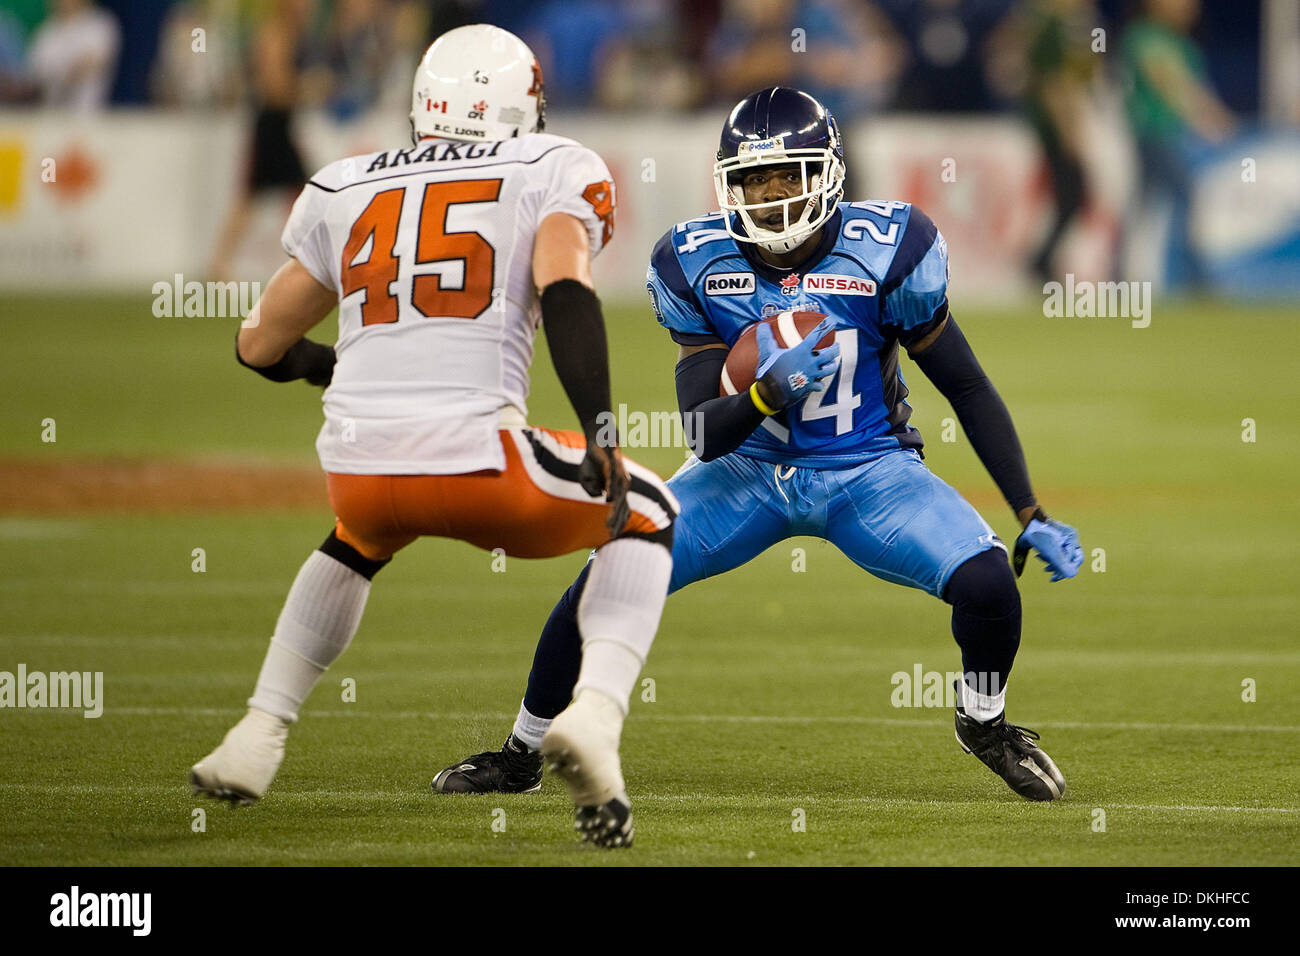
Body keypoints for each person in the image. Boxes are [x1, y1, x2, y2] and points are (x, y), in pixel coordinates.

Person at [434, 87, 1083, 803]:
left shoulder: (892, 248)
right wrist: (767, 395)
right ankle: (521, 754)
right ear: (727, 185)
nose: (772, 195)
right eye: (754, 180)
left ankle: (983, 723)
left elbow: (966, 386)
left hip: (868, 469)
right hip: (746, 471)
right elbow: (705, 434)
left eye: (789, 176)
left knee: (990, 585)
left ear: (829, 174)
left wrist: (1030, 510)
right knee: (602, 583)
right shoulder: (695, 261)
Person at [190, 24, 678, 849]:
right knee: (652, 509)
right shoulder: (552, 165)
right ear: (523, 105)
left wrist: (328, 368)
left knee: (353, 542)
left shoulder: (345, 186)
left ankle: (257, 736)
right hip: (478, 460)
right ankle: (593, 718)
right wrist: (600, 431)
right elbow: (564, 290)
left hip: (359, 467)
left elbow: (257, 345)